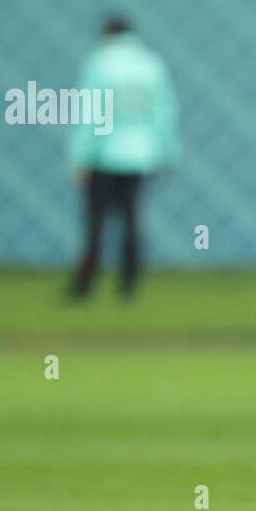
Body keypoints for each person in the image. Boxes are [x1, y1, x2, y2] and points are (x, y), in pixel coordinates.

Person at [68, 16, 180, 299]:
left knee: (95, 222)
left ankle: (85, 282)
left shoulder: (99, 63)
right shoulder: (151, 65)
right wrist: (168, 154)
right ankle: (129, 283)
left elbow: (91, 114)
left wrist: (81, 156)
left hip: (104, 153)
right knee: (132, 219)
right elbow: (163, 113)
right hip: (140, 154)